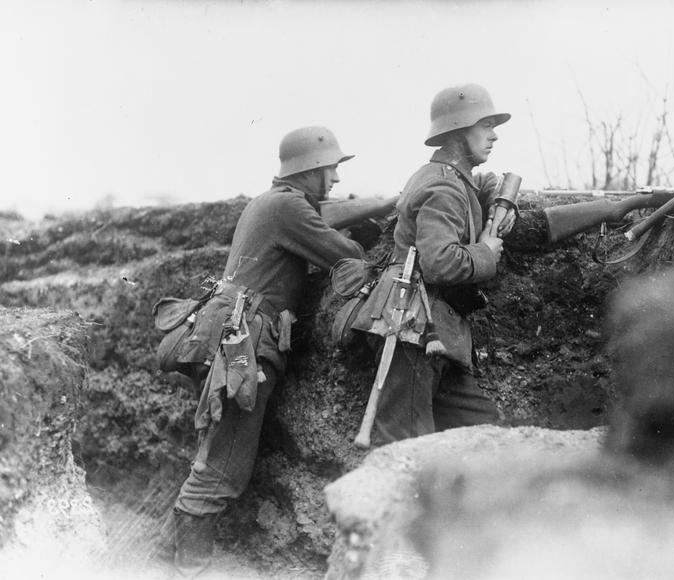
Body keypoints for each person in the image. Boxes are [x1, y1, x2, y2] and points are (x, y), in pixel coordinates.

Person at [168, 126, 365, 576]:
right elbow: (346, 254)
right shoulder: (288, 207)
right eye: (331, 167)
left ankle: (174, 560)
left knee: (216, 453)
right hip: (245, 344)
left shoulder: (272, 202)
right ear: (311, 170)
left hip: (230, 333)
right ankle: (188, 570)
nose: (335, 177)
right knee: (224, 467)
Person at [368, 83, 516, 445]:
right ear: (458, 130)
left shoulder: (449, 178)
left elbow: (484, 183)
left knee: (482, 428)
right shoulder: (444, 187)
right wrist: (485, 251)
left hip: (432, 331)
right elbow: (440, 264)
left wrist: (504, 202)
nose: (494, 136)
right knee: (405, 444)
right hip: (412, 328)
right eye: (485, 126)